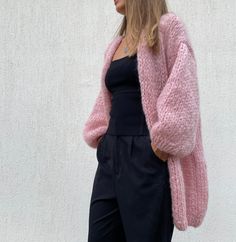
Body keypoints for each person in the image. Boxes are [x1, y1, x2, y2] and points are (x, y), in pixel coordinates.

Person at [83, 0, 209, 241]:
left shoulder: (167, 28)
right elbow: (107, 97)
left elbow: (184, 89)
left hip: (145, 157)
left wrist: (161, 145)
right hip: (111, 156)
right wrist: (101, 135)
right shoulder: (116, 44)